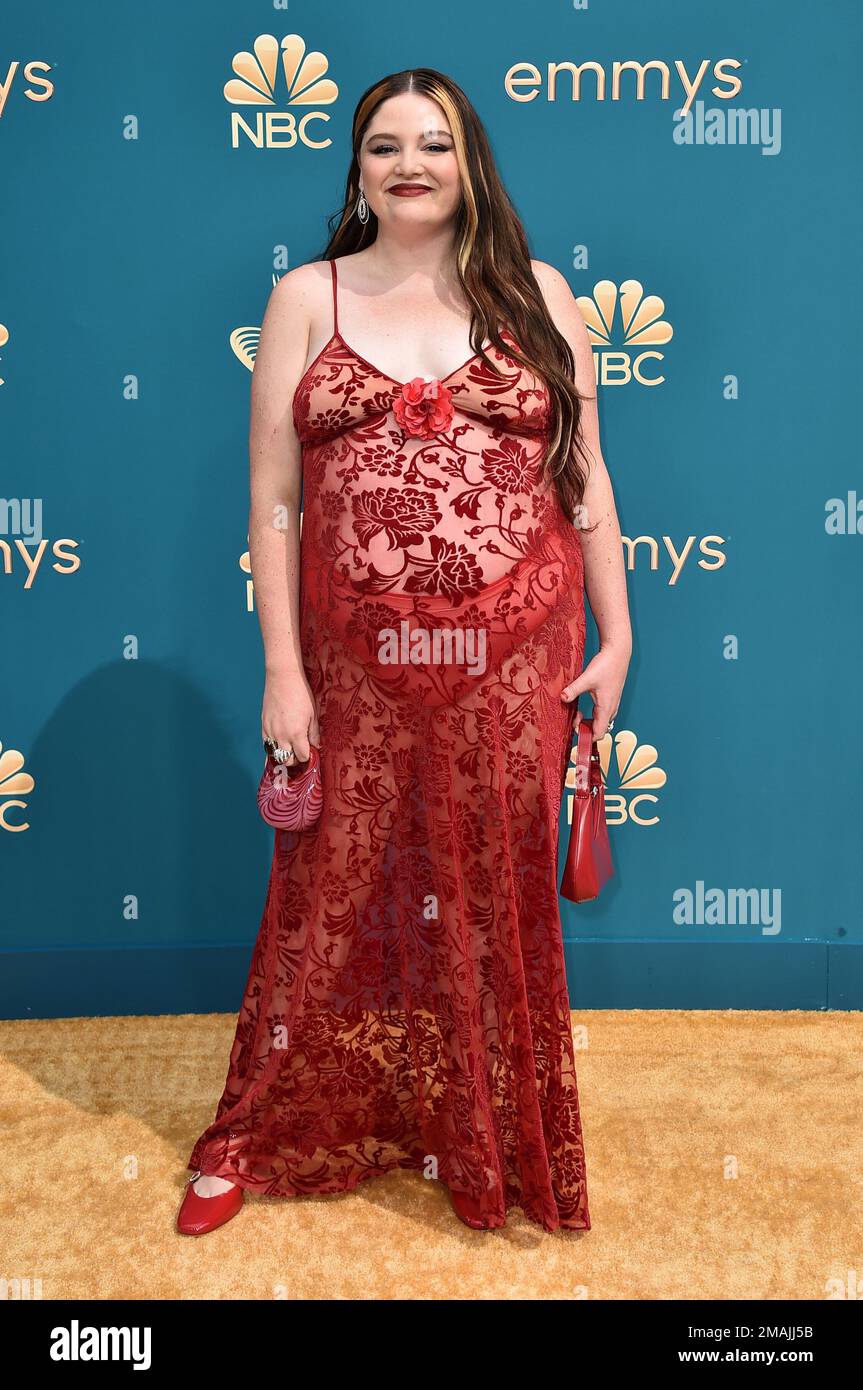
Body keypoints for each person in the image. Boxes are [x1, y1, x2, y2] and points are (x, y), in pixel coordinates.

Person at [179, 67, 631, 1236]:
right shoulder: (305, 296)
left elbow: (582, 479)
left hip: (515, 652)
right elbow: (272, 501)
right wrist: (283, 666)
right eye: (384, 146)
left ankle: (484, 1141)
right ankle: (248, 1134)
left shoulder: (538, 293)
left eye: (434, 143)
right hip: (353, 662)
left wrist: (618, 629)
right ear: (357, 169)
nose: (409, 163)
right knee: (323, 894)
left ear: (469, 159)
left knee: (492, 890)